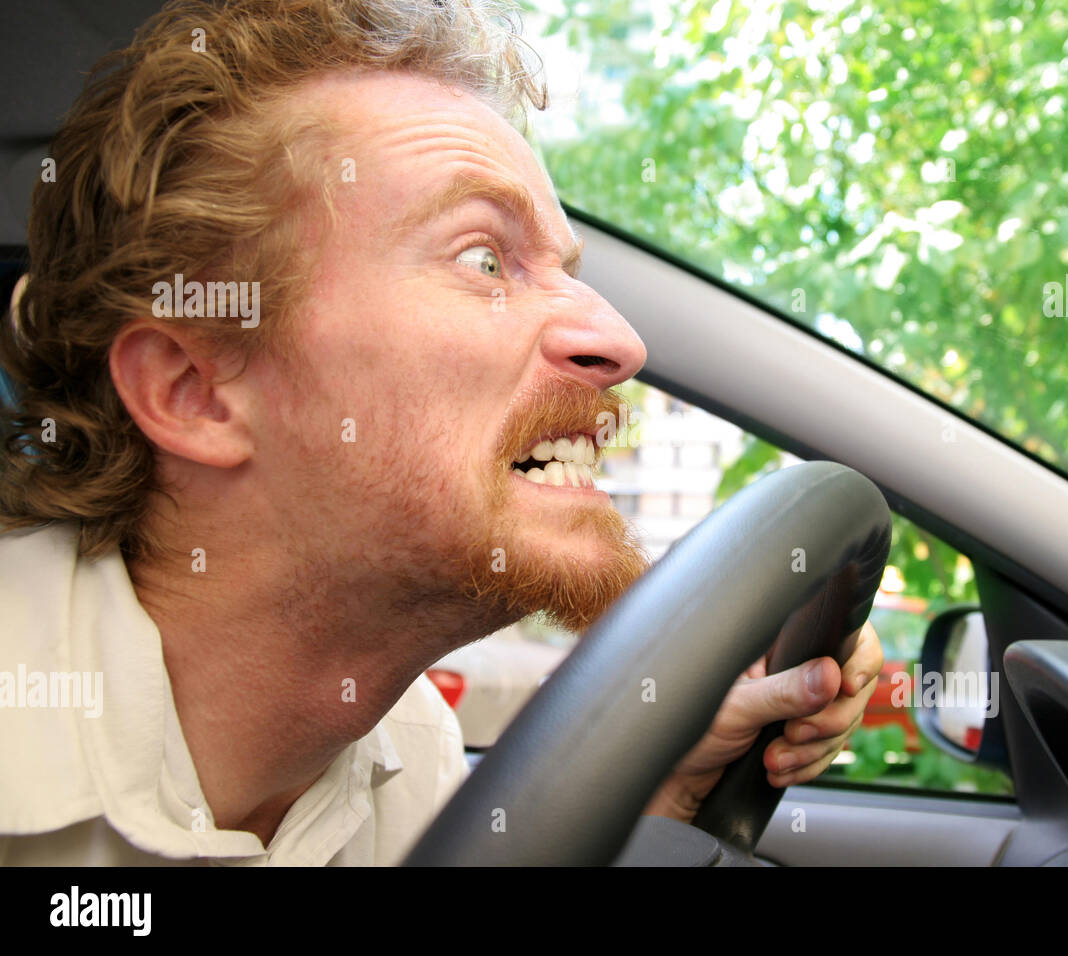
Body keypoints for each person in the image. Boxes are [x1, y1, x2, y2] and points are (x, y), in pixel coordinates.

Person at [0, 0, 882, 865]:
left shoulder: (407, 751)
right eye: (486, 259)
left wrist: (657, 789)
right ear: (194, 391)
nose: (621, 342)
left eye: (563, 270)